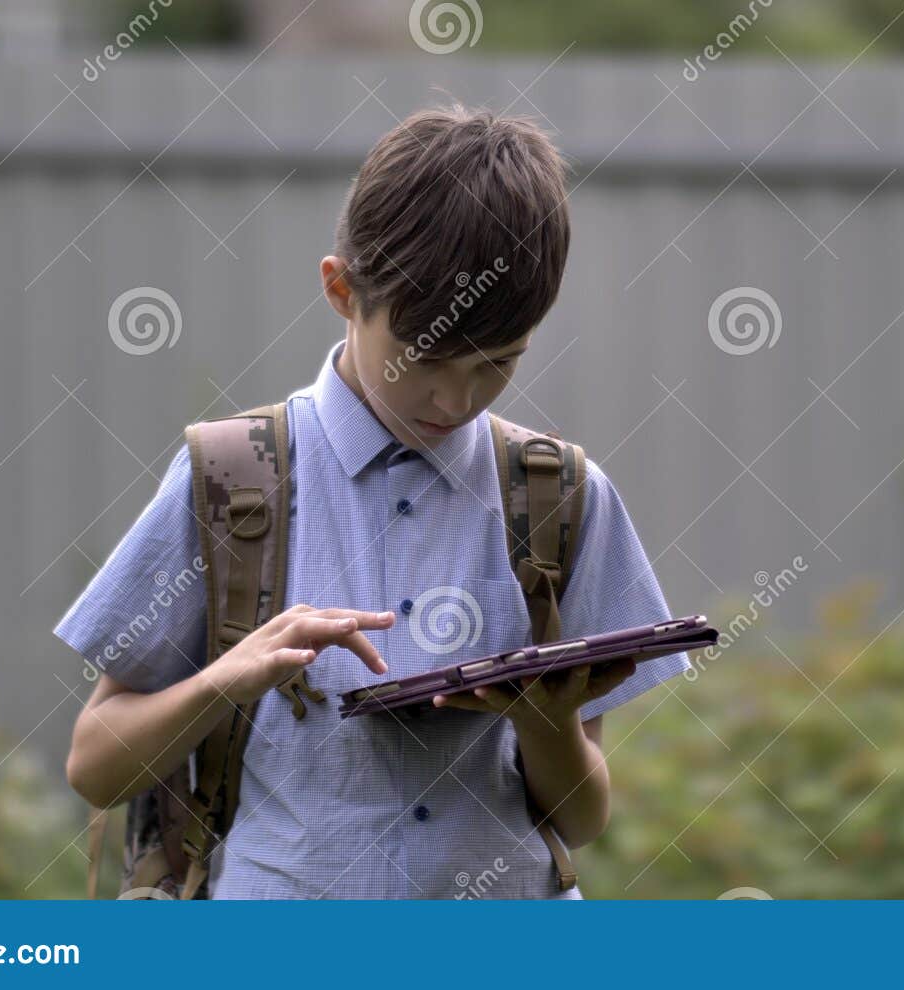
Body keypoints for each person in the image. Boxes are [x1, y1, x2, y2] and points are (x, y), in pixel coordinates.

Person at [54, 103, 691, 899]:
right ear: (341, 289)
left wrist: (545, 719)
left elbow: (582, 820)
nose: (456, 399)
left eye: (497, 363)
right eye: (425, 356)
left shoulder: (561, 497)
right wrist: (229, 677)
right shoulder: (230, 479)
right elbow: (95, 766)